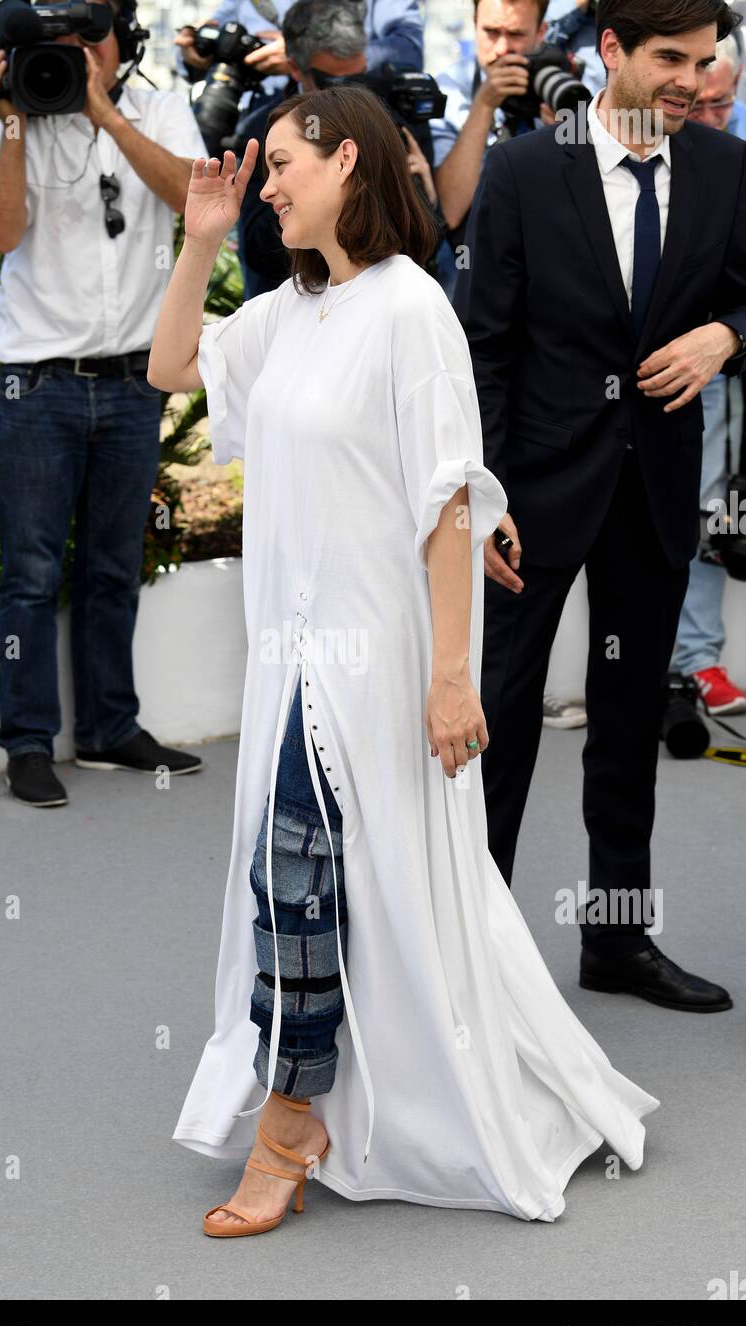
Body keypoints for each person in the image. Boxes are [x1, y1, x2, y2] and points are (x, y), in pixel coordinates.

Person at [149, 84, 660, 1235]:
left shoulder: (410, 308)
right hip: (285, 648)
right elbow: (172, 368)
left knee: (293, 870)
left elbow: (444, 500)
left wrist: (446, 675)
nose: (267, 184)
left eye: (282, 164)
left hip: (370, 652)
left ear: (349, 166)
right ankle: (342, 1091)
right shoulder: (293, 309)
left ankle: (289, 1119)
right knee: (327, 877)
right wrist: (201, 241)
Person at [455, 0, 745, 1007]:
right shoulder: (524, 171)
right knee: (498, 724)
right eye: (670, 59)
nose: (691, 81)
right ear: (608, 51)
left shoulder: (720, 168)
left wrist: (726, 338)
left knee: (627, 729)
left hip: (652, 486)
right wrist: (480, 492)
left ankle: (614, 942)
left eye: (705, 62)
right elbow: (480, 347)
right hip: (530, 494)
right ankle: (471, 956)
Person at [0, 0, 208, 808]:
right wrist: (11, 120)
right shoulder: (14, 117)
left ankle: (110, 727)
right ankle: (28, 743)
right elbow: (2, 233)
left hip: (133, 379)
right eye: (57, 43)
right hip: (38, 382)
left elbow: (192, 198)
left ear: (125, 39)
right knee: (32, 576)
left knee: (113, 567)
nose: (75, 55)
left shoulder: (158, 104)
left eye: (91, 37)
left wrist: (107, 113)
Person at [232, 0, 444, 298]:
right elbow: (259, 252)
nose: (354, 94)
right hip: (297, 305)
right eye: (335, 82)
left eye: (359, 77)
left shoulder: (396, 113)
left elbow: (425, 242)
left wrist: (422, 200)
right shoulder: (265, 132)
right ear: (295, 68)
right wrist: (305, 194)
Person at [669, 34, 746, 714]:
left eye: (720, 103)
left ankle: (697, 662)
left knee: (708, 512)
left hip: (725, 364)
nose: (706, 118)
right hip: (633, 366)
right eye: (696, 105)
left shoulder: (737, 160)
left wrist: (726, 335)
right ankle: (653, 665)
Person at [429, 0, 559, 299]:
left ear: (541, 32)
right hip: (462, 286)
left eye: (515, 35)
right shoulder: (447, 90)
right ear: (474, 24)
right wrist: (485, 105)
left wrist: (563, 136)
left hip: (542, 286)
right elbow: (447, 208)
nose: (502, 48)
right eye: (491, 32)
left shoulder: (559, 85)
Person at [173, 0, 424, 116]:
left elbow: (409, 50)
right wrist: (195, 52)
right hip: (254, 123)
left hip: (344, 117)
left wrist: (311, 52)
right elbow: (216, 32)